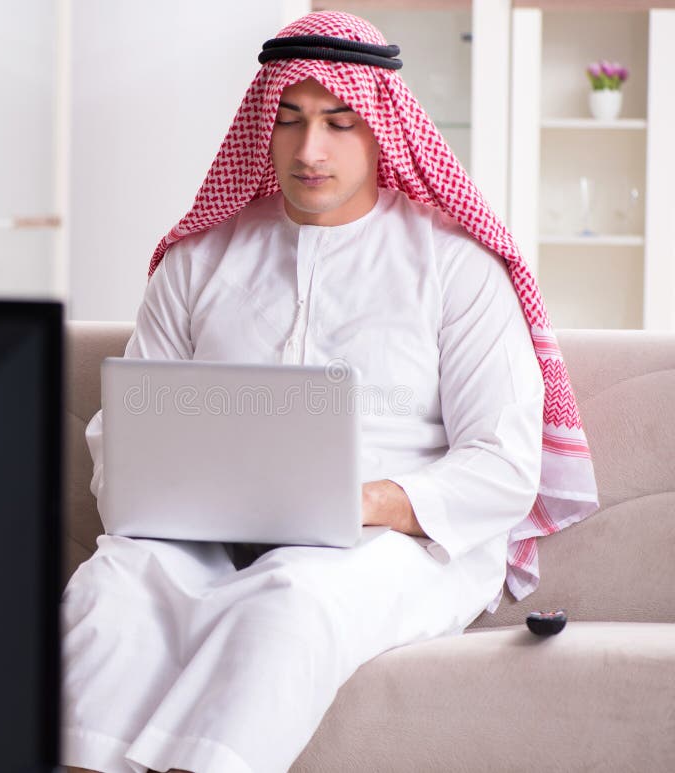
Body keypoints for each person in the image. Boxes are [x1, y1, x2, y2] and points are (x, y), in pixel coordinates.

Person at [61, 11, 599, 773]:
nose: (309, 149)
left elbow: (505, 464)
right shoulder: (198, 259)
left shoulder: (455, 265)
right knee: (110, 591)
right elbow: (125, 433)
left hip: (395, 540)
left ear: (381, 125)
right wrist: (176, 505)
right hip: (204, 534)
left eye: (339, 122)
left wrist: (365, 499)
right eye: (289, 121)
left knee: (289, 599)